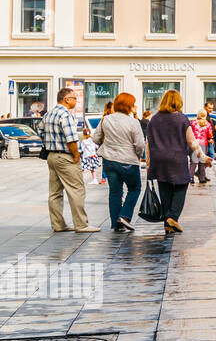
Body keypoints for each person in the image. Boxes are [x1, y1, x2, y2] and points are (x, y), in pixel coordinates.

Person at [147, 89, 202, 235]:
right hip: (176, 158)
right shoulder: (182, 119)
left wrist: (148, 164)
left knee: (164, 189)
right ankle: (172, 217)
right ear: (178, 102)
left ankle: (167, 224)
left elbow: (148, 143)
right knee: (181, 186)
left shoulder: (154, 119)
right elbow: (192, 142)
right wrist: (202, 156)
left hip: (158, 160)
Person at [39, 87, 92, 234]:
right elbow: (71, 138)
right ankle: (81, 225)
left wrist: (49, 144)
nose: (76, 100)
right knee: (76, 190)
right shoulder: (66, 115)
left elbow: (40, 130)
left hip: (52, 156)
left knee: (55, 192)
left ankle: (58, 224)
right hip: (66, 156)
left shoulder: (49, 114)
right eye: (75, 98)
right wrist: (76, 155)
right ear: (66, 99)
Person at [94, 92, 147, 232]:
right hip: (128, 161)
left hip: (109, 161)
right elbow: (140, 144)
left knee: (115, 192)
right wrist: (138, 155)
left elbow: (95, 138)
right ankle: (125, 216)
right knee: (135, 189)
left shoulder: (106, 120)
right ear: (128, 106)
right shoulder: (133, 122)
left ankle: (116, 223)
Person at [190, 111, 213, 184]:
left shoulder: (193, 123)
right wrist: (209, 139)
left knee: (193, 162)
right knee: (202, 162)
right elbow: (210, 135)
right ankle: (201, 178)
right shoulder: (208, 124)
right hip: (203, 144)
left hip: (194, 144)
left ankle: (191, 177)